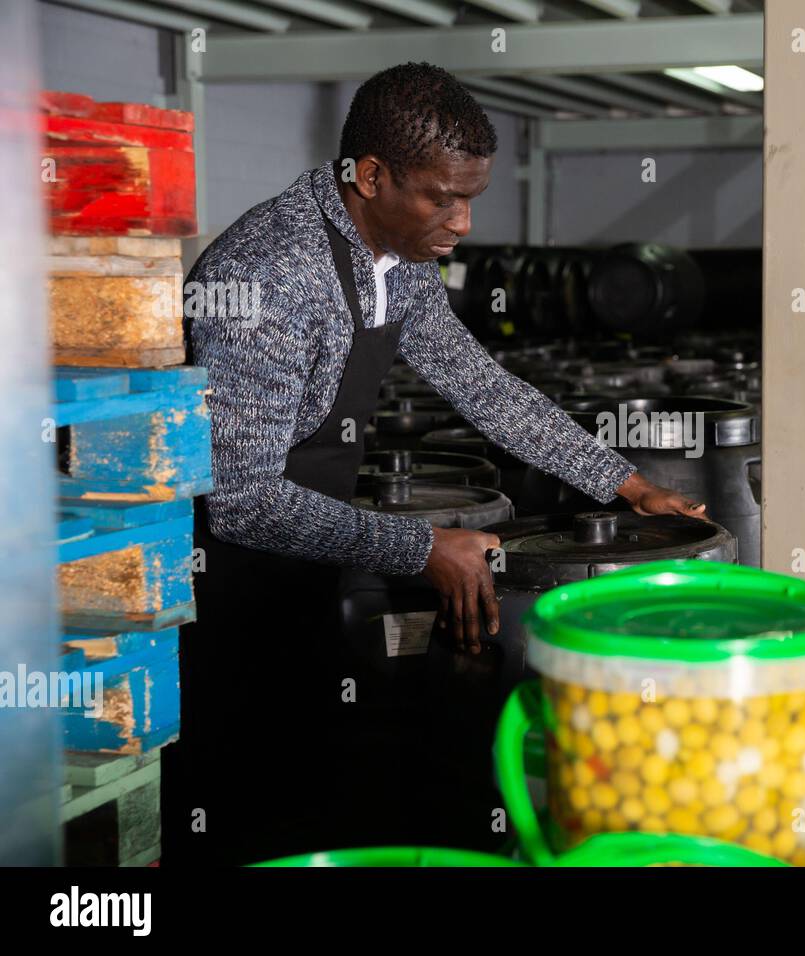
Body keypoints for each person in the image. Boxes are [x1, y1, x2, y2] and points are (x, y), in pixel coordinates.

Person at [162, 62, 705, 865]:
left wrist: (625, 482)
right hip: (220, 579)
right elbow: (242, 502)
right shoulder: (271, 273)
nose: (463, 221)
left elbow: (482, 385)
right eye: (441, 196)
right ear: (372, 176)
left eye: (471, 197)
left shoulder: (400, 259)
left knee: (314, 771)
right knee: (233, 788)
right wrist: (419, 548)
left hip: (308, 563)